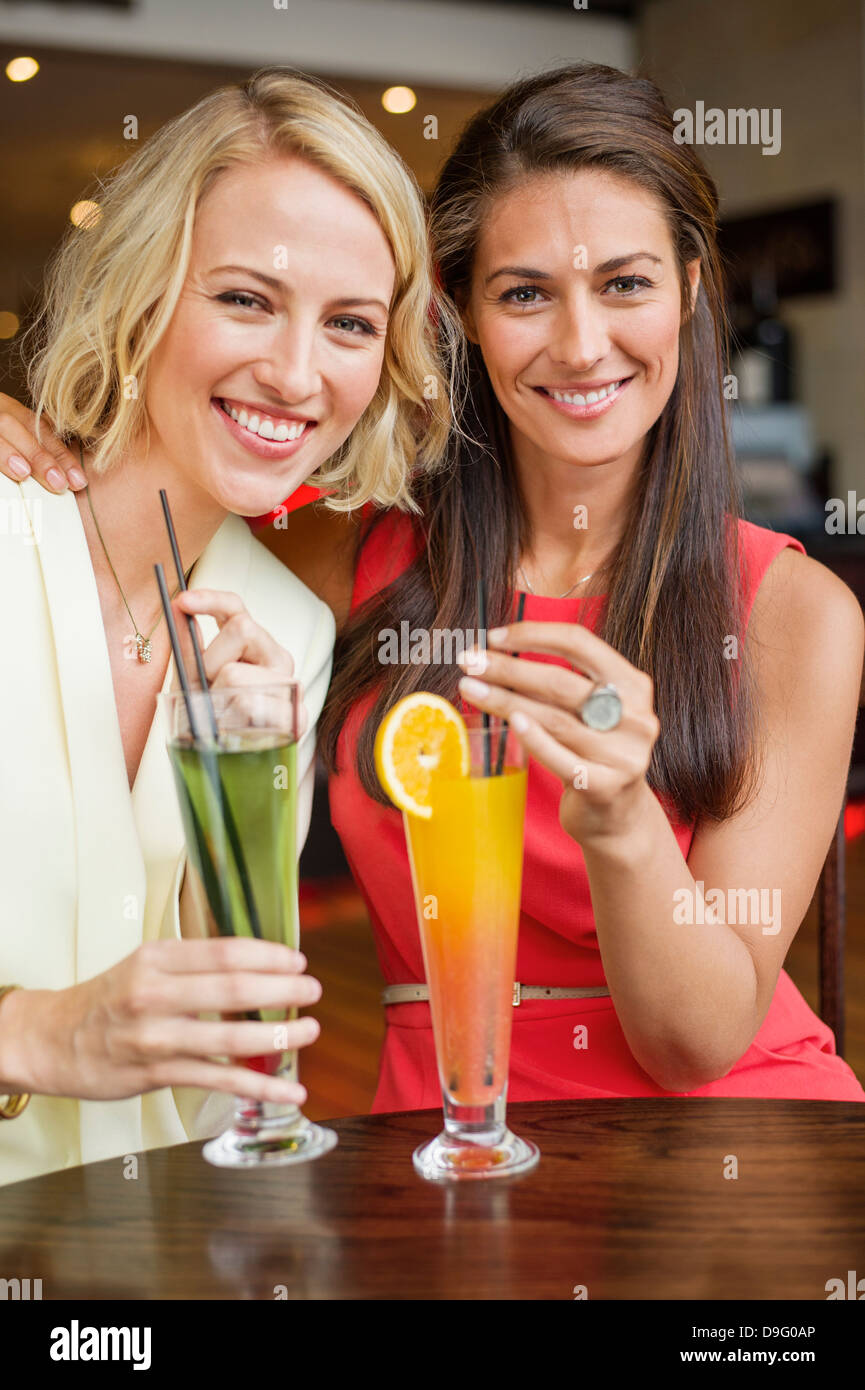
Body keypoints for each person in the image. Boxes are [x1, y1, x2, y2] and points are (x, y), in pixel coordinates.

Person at [8, 64, 864, 1109]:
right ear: (459, 310)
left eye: (626, 284)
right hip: (442, 1133)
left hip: (719, 1151)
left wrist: (621, 820)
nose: (582, 343)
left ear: (688, 289)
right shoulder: (342, 552)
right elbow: (180, 460)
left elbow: (697, 1042)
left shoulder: (793, 613)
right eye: (524, 293)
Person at [0, 66, 451, 1185]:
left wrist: (240, 803)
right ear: (143, 293)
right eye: (246, 298)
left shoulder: (287, 632)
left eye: (349, 323)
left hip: (133, 1248)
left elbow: (237, 1039)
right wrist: (30, 1035)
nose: (296, 374)